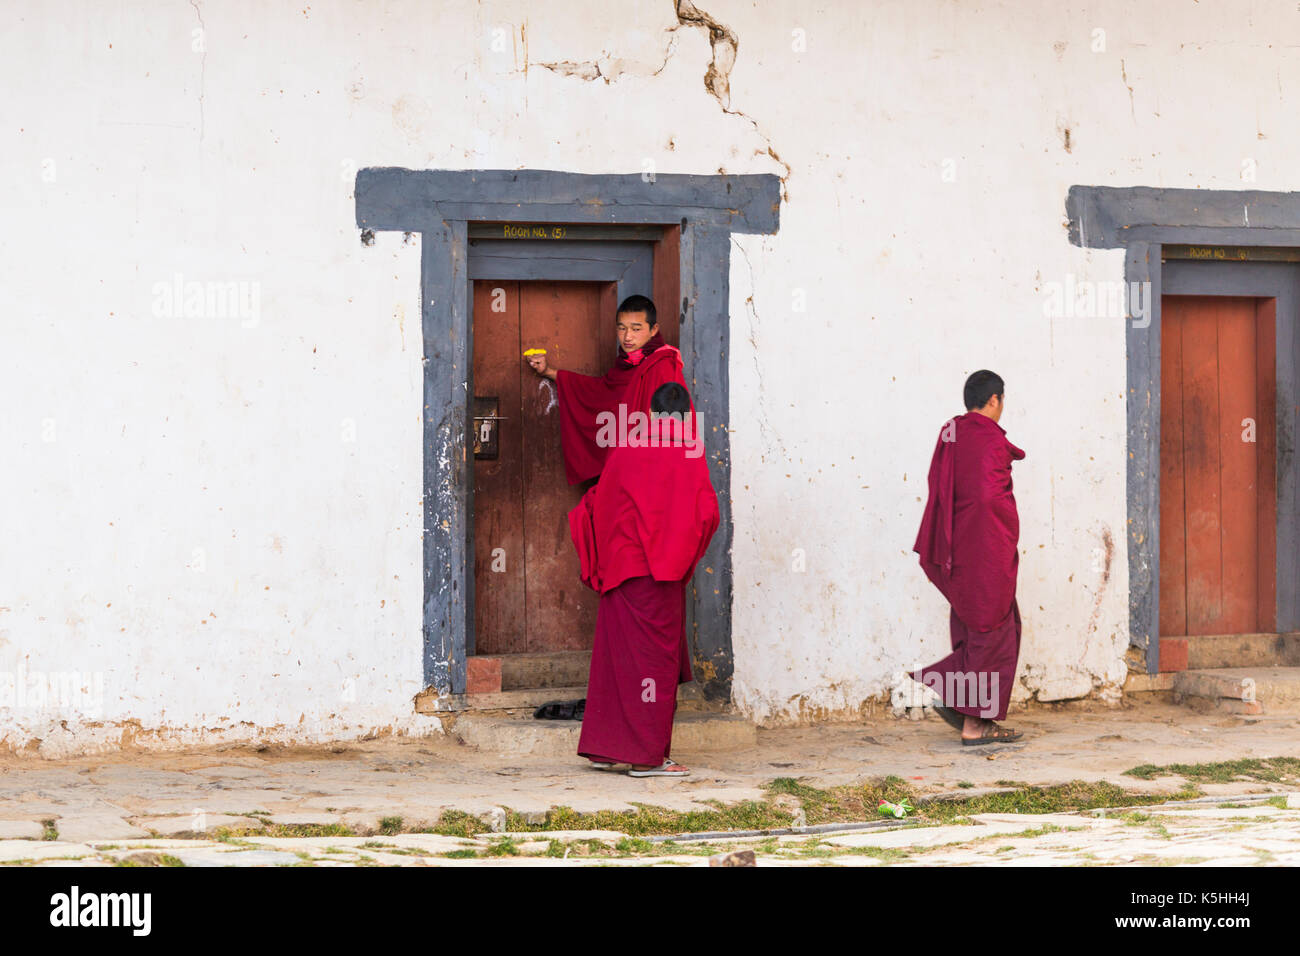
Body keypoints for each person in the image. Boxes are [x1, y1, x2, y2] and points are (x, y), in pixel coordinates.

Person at [568, 382, 719, 776]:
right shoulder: (688, 450)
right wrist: (683, 556)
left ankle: (607, 748)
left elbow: (599, 504)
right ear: (686, 416)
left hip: (622, 570)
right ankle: (647, 757)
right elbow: (706, 514)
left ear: (650, 414)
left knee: (617, 662)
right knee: (654, 665)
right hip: (660, 574)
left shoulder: (627, 447)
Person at [912, 370, 1026, 745]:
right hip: (984, 552)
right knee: (993, 633)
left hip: (956, 551)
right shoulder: (989, 438)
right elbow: (990, 500)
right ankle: (972, 724)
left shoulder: (951, 433)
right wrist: (1003, 539)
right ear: (994, 399)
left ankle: (964, 705)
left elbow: (939, 488)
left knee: (976, 628)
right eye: (1002, 401)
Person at [526, 294, 688, 485]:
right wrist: (549, 372)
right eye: (622, 328)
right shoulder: (626, 363)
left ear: (654, 330)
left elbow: (672, 423)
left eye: (636, 329)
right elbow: (601, 392)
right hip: (625, 461)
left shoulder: (662, 365)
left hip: (649, 467)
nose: (627, 337)